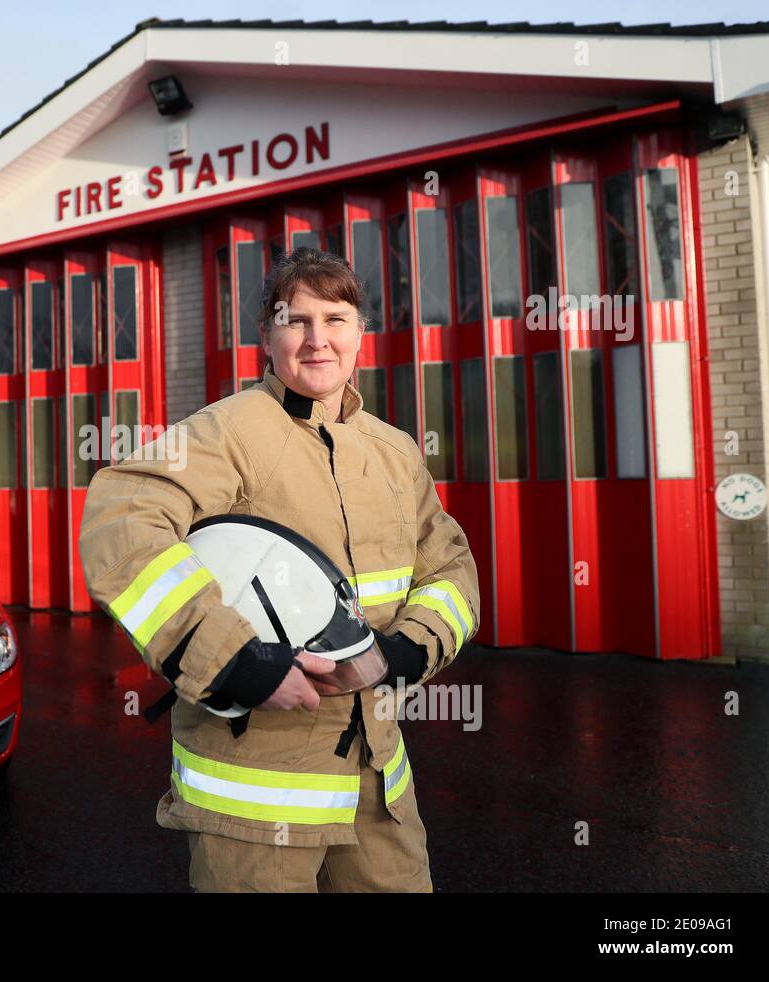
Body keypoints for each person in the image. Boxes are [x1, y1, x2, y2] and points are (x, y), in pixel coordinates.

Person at [78, 247, 479, 892]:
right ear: (266, 336)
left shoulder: (395, 451)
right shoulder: (229, 431)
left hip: (377, 788)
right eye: (296, 321)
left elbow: (451, 571)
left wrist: (404, 653)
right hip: (255, 806)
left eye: (336, 318)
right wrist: (232, 661)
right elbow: (123, 521)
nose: (317, 340)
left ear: (360, 335)